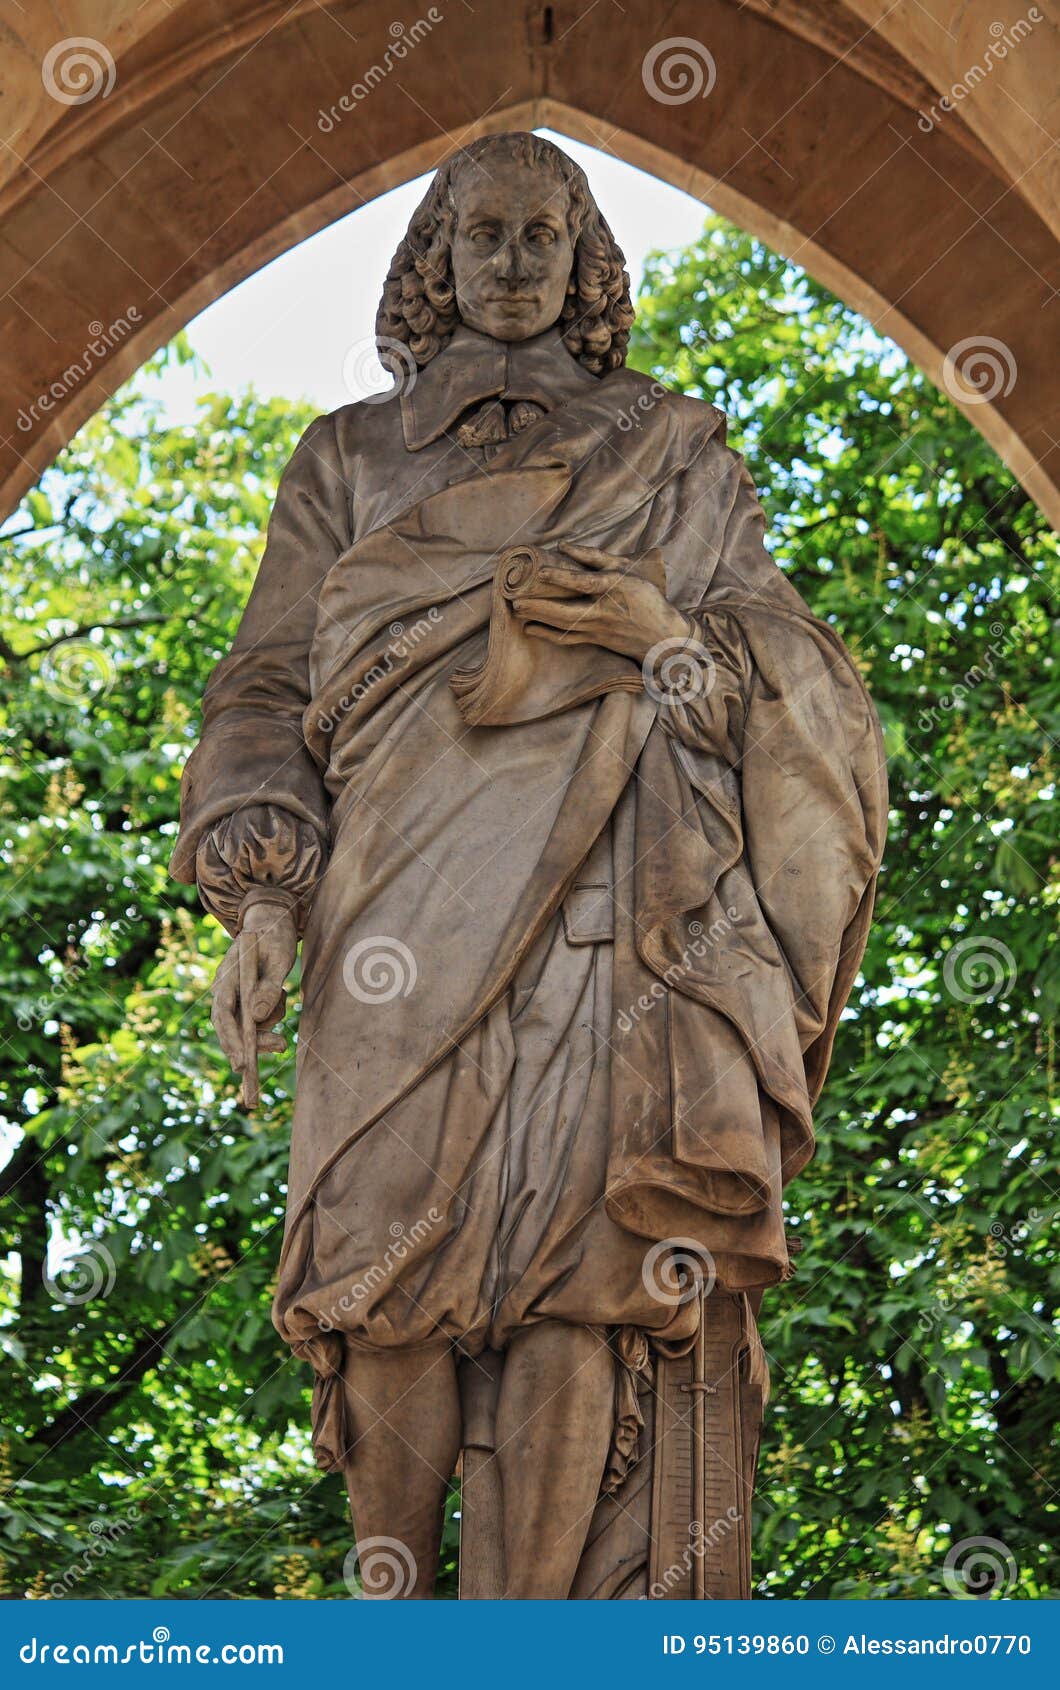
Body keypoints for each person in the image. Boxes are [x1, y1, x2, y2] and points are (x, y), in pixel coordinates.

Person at [171, 132, 886, 1598]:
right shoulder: (347, 457)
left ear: (584, 263)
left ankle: (535, 1632)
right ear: (434, 257)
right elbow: (262, 686)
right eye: (479, 235)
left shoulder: (674, 453)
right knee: (381, 1277)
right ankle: (393, 1613)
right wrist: (261, 894)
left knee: (582, 1268)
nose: (507, 262)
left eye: (537, 237)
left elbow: (777, 669)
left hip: (616, 904)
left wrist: (654, 629)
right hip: (391, 907)